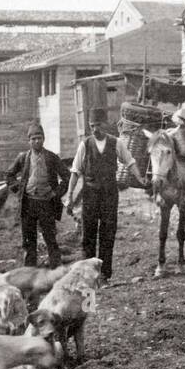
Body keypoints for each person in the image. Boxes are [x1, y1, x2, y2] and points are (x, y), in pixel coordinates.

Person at [66, 108, 145, 281]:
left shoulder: (116, 143)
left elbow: (130, 162)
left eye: (98, 125)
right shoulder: (85, 145)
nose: (95, 129)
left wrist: (140, 177)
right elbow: (75, 171)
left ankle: (104, 274)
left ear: (106, 124)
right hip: (90, 192)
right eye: (92, 126)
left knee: (108, 233)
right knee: (89, 233)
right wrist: (70, 195)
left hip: (109, 192)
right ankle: (88, 275)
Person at [6, 122, 64, 268]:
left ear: (43, 139)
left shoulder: (52, 157)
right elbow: (9, 175)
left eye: (39, 138)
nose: (36, 141)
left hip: (46, 203)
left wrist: (56, 193)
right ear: (29, 141)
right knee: (28, 240)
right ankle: (30, 272)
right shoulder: (23, 157)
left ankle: (55, 271)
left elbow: (67, 176)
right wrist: (18, 189)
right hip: (28, 204)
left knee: (50, 238)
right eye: (33, 139)